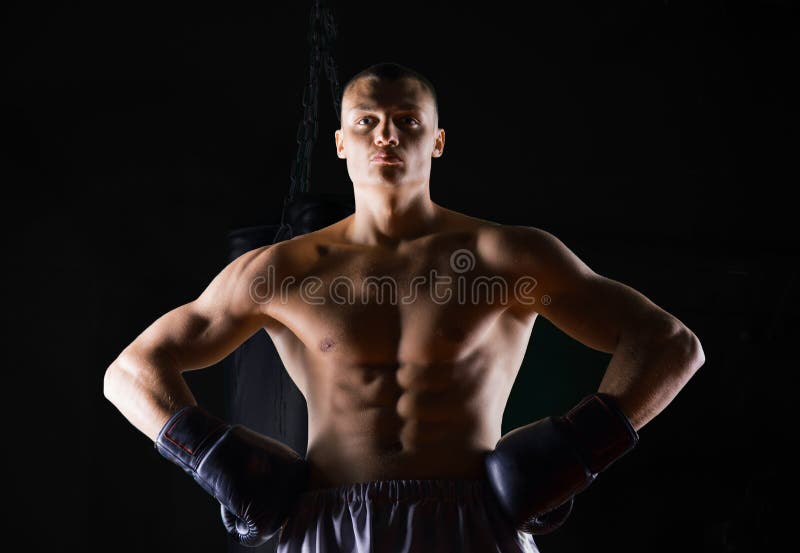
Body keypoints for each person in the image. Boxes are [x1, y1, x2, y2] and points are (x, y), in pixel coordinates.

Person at [103, 62, 705, 552]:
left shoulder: (507, 256)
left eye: (407, 121)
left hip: (473, 520)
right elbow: (130, 373)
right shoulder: (282, 270)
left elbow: (670, 344)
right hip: (329, 523)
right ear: (341, 143)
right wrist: (214, 459)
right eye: (366, 121)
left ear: (436, 140)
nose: (385, 135)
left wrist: (577, 451)